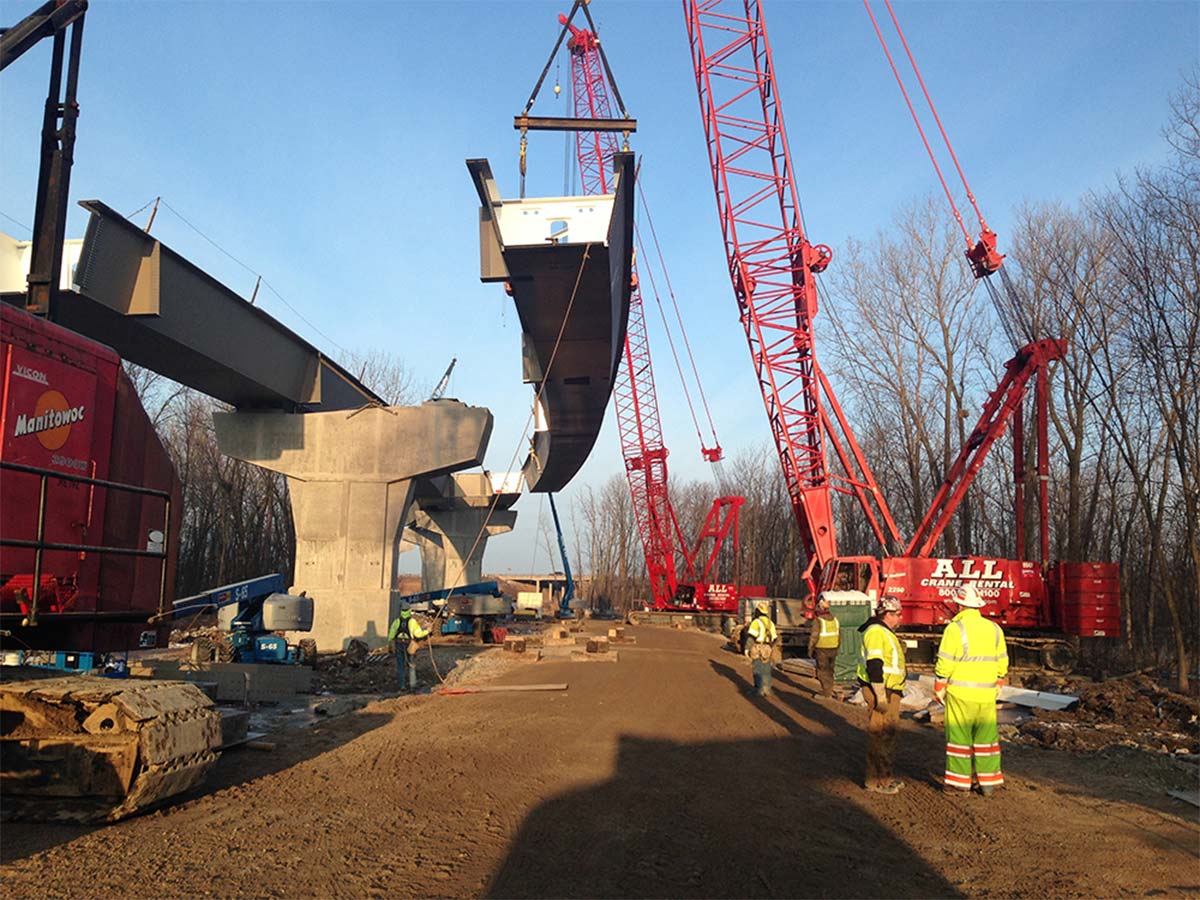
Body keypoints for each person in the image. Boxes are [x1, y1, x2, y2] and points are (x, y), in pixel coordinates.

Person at [934, 583, 1009, 796]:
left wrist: (940, 683)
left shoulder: (955, 629)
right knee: (986, 738)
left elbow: (946, 660)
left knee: (959, 738)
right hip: (986, 694)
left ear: (959, 605)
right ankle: (988, 782)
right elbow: (1002, 660)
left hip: (960, 693)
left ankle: (959, 784)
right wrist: (999, 679)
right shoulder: (994, 628)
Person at [856, 596, 907, 794]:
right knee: (881, 734)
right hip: (882, 690)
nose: (900, 618)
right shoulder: (876, 632)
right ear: (886, 614)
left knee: (887, 733)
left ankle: (884, 777)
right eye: (897, 614)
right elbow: (874, 664)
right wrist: (880, 695)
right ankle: (878, 781)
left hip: (889, 689)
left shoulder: (883, 632)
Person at [387, 604, 431, 691]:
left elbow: (391, 635)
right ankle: (412, 684)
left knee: (400, 665)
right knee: (411, 665)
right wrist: (427, 631)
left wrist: (390, 644)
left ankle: (402, 685)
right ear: (409, 611)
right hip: (409, 644)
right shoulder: (412, 622)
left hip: (399, 643)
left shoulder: (396, 621)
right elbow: (418, 634)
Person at [807, 594, 841, 697]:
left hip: (822, 648)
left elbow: (814, 637)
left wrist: (810, 650)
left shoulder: (818, 621)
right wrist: (838, 647)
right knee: (830, 670)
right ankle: (829, 689)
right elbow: (840, 635)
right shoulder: (835, 620)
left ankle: (826, 692)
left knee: (822, 671)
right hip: (833, 648)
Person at [745, 600, 779, 697]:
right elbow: (775, 638)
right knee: (766, 669)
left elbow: (751, 637)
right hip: (767, 647)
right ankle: (767, 689)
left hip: (758, 646)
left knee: (757, 669)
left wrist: (747, 649)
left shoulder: (756, 622)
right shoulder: (770, 623)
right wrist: (769, 647)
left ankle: (758, 690)